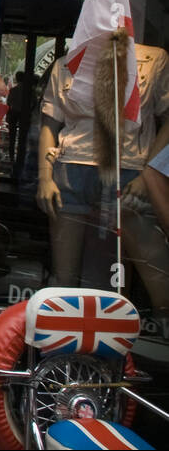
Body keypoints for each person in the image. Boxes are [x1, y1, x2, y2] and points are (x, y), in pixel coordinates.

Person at [36, 42, 169, 318]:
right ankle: (66, 343)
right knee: (66, 276)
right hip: (71, 169)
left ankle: (153, 336)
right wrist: (44, 177)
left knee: (139, 273)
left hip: (128, 168)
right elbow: (50, 123)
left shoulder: (152, 59)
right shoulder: (66, 63)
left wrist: (148, 174)